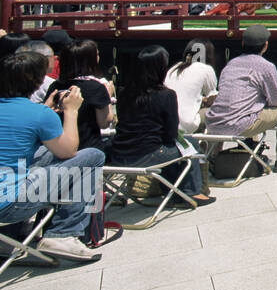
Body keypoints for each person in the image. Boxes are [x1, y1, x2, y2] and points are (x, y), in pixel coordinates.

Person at [0, 50, 105, 261]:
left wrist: (45, 109)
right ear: (37, 82)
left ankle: (9, 237)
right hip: (9, 206)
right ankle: (64, 233)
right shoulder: (39, 115)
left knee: (46, 151)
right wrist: (72, 111)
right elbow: (68, 151)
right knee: (92, 156)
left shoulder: (37, 112)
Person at [108, 46, 212, 206]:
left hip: (119, 154)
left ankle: (172, 190)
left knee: (168, 146)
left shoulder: (124, 92)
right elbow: (171, 133)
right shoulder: (166, 95)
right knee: (188, 142)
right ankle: (192, 192)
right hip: (147, 155)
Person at [202, 24, 277, 173]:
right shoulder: (266, 66)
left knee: (250, 105)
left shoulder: (231, 64)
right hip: (240, 125)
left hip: (214, 122)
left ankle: (217, 154)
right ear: (265, 46)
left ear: (243, 44)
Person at [45, 39, 112, 155]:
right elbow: (104, 122)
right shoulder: (97, 87)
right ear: (90, 60)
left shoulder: (55, 86)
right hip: (88, 148)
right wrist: (108, 96)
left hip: (57, 148)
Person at [164, 40, 218, 140]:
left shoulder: (174, 68)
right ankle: (211, 151)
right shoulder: (206, 69)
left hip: (167, 124)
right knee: (218, 111)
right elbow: (213, 101)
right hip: (187, 125)